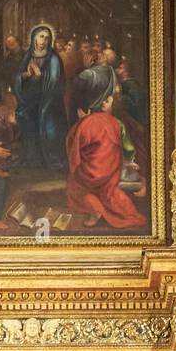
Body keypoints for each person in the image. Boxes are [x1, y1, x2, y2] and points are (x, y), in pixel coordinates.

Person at [65, 64, 145, 230]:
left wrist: (76, 169)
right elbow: (128, 148)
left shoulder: (83, 125)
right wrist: (129, 161)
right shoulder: (117, 123)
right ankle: (111, 205)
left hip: (88, 175)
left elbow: (73, 150)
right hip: (110, 174)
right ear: (105, 101)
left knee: (75, 188)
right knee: (110, 193)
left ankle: (95, 210)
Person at [14, 24, 67, 171]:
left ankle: (51, 160)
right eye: (41, 36)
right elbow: (18, 77)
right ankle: (32, 158)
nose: (44, 40)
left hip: (48, 101)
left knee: (48, 127)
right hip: (29, 99)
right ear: (34, 38)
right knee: (26, 120)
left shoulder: (54, 58)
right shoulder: (27, 56)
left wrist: (40, 76)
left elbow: (55, 81)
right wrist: (27, 75)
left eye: (47, 37)